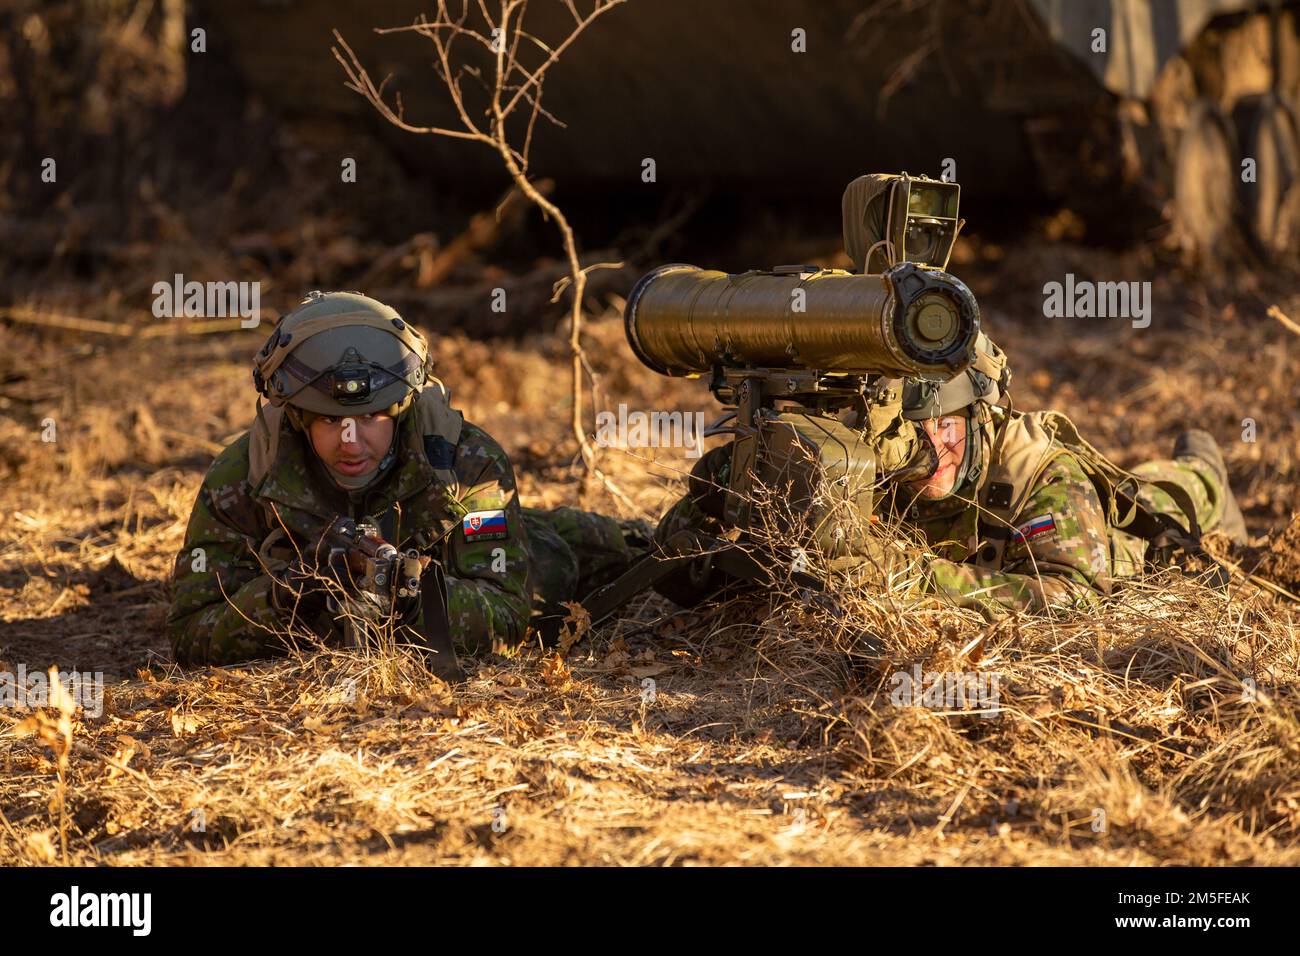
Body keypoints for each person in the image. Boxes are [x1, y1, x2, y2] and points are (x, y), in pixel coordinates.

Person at [168, 291, 645, 669]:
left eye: (373, 416)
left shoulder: (466, 464)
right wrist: (292, 593)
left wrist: (415, 599)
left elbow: (507, 618)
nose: (351, 442)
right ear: (296, 417)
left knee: (600, 552)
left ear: (402, 409)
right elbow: (191, 633)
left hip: (516, 557)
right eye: (330, 421)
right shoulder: (245, 473)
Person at [650, 333, 1248, 619]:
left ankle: (1203, 460)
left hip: (1112, 536)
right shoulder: (868, 459)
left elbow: (1073, 601)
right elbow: (678, 561)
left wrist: (908, 578)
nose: (932, 445)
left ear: (984, 417)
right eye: (914, 428)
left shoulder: (1038, 469)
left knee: (1169, 493)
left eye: (949, 425)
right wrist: (724, 488)